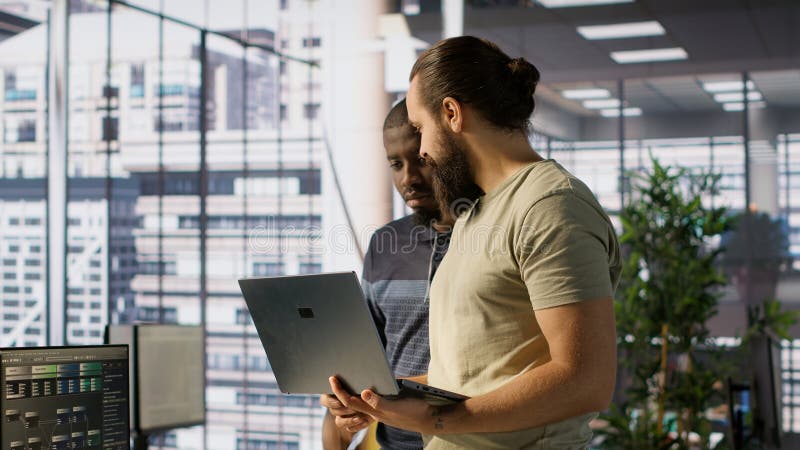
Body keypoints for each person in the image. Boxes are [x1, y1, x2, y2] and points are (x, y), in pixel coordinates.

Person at [328, 36, 621, 449]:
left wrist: (438, 419)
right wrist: (377, 399)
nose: (423, 151)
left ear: (451, 113)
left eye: (419, 129)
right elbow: (471, 375)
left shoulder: (551, 206)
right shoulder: (476, 214)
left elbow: (584, 380)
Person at [321, 99, 453, 450]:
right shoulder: (386, 243)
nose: (408, 178)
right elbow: (364, 361)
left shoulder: (485, 236)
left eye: (420, 161)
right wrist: (342, 408)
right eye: (396, 164)